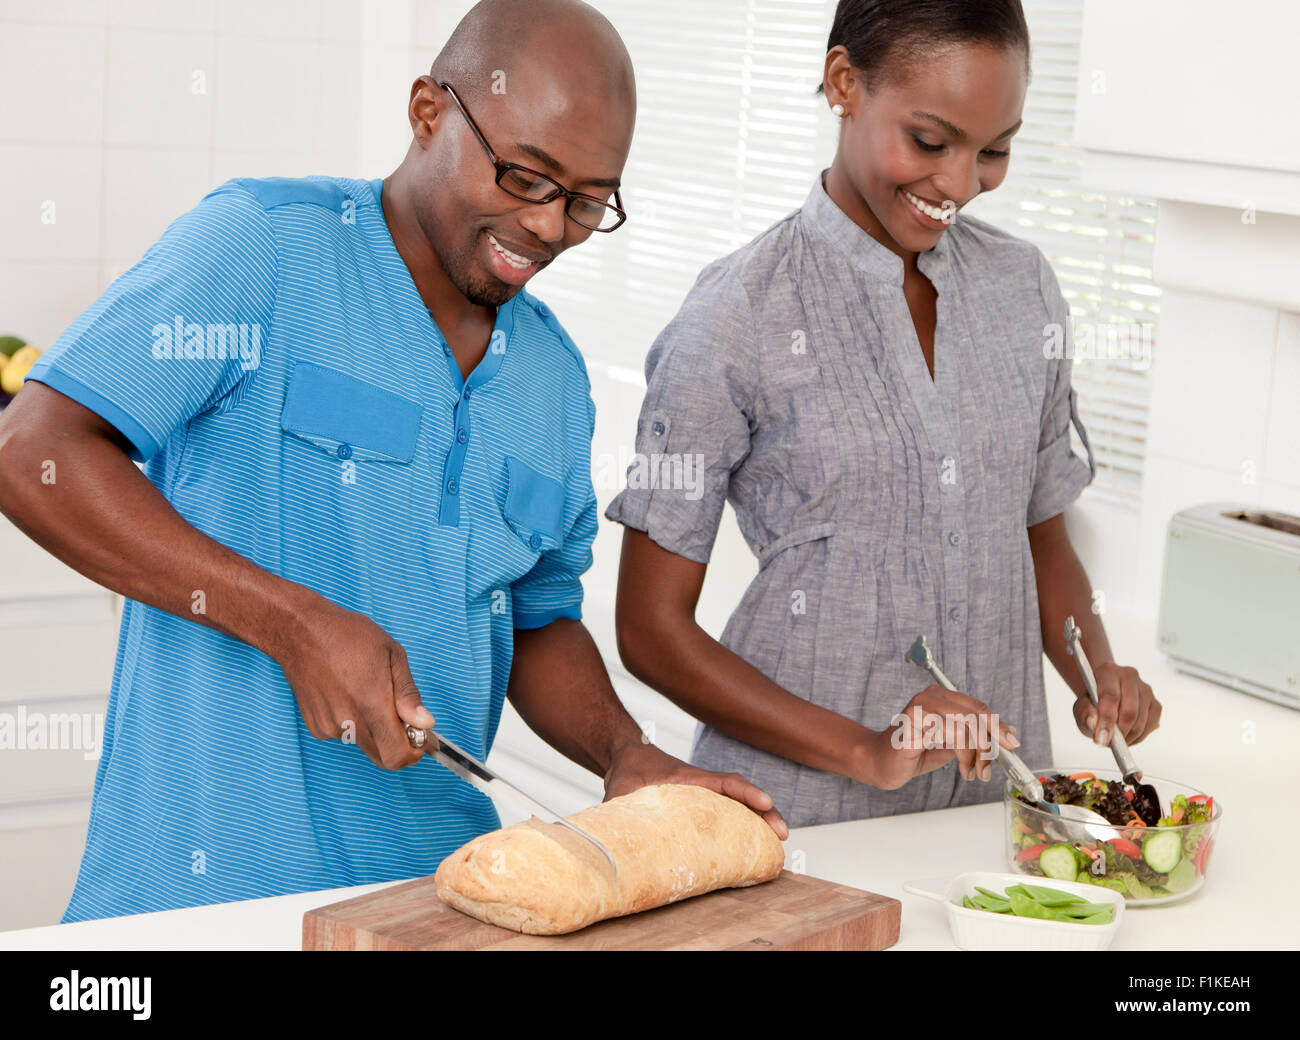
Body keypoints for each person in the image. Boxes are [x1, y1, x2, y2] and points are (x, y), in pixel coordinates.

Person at [0, 0, 783, 923]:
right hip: (197, 903)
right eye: (527, 176)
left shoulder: (554, 380)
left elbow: (537, 620)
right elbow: (33, 453)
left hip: (433, 903)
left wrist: (623, 754)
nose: (546, 226)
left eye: (585, 202)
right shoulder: (263, 250)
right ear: (427, 112)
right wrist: (294, 623)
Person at [606, 0, 1161, 829]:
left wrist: (1098, 671)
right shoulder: (735, 316)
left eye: (995, 150)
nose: (960, 183)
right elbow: (648, 630)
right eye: (931, 142)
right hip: (800, 820)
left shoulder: (1023, 290)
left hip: (996, 812)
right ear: (843, 83)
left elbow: (1040, 530)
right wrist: (868, 750)